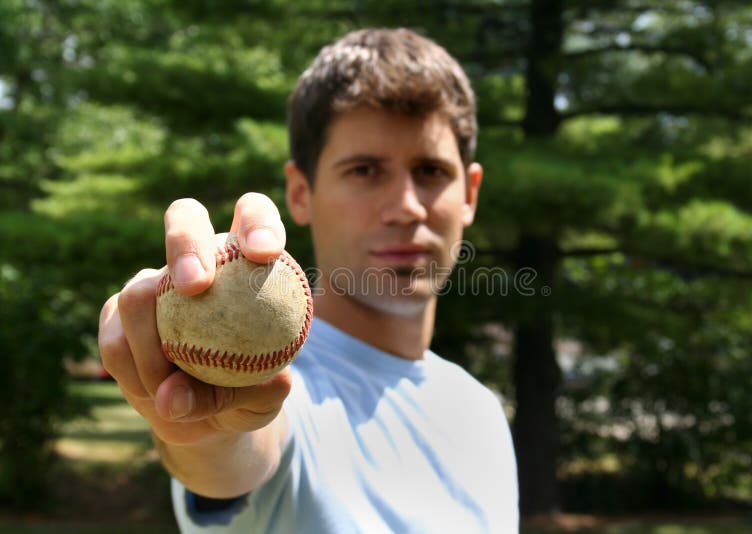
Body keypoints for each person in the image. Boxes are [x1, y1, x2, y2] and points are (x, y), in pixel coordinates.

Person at [98, 27, 519, 533]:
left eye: (430, 171)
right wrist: (201, 428)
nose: (407, 206)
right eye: (365, 170)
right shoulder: (276, 387)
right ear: (300, 193)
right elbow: (240, 450)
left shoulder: (480, 412)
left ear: (469, 193)